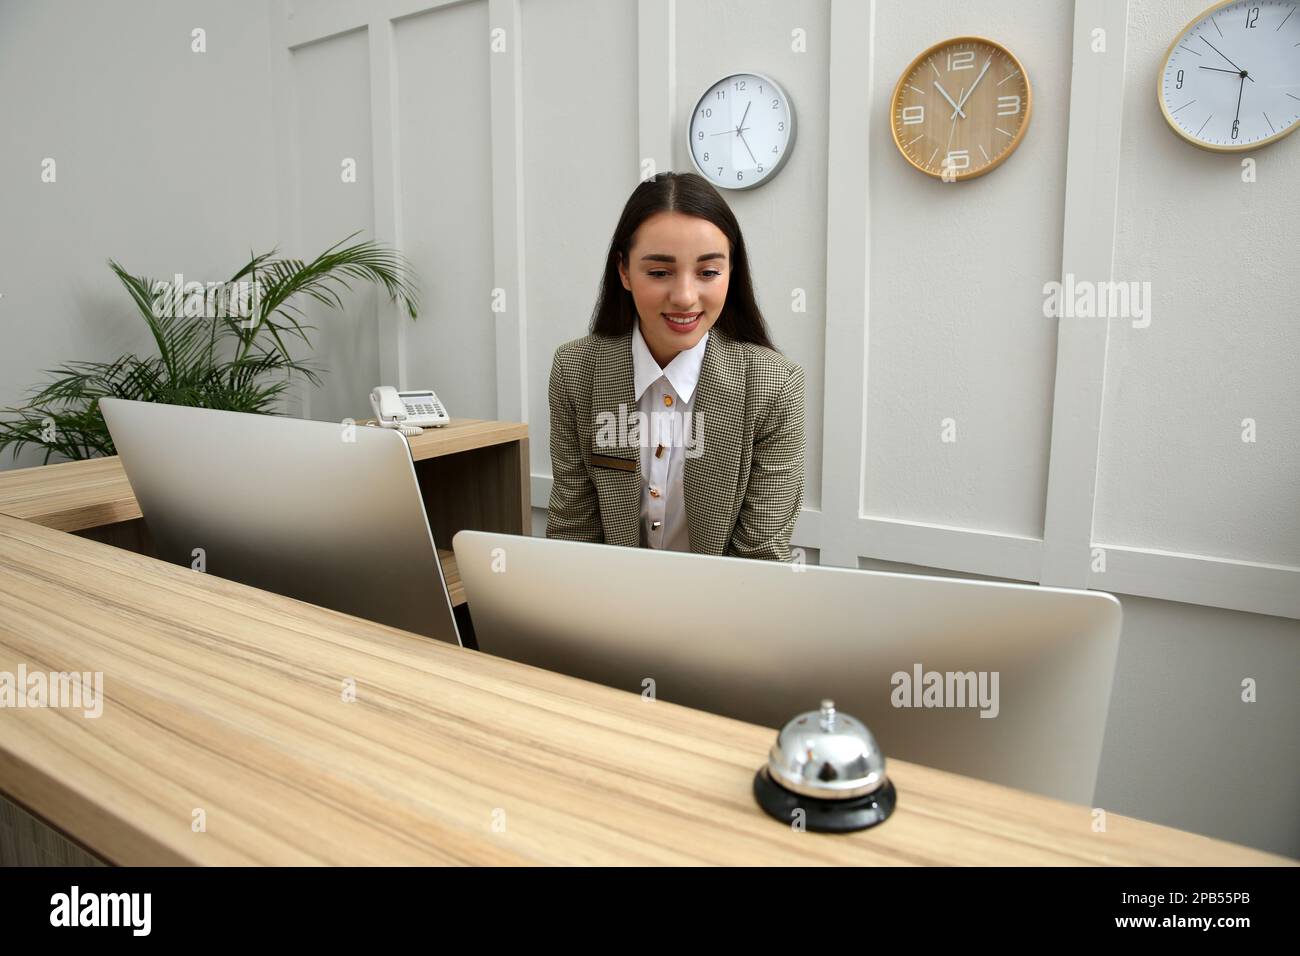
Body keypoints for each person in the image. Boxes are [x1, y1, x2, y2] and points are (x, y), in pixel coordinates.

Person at [546, 171, 805, 562]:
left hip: (723, 614)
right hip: (606, 608)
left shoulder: (775, 385)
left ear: (731, 273)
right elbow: (573, 533)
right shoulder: (575, 371)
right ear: (624, 271)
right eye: (659, 272)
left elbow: (760, 558)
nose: (685, 297)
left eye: (708, 272)